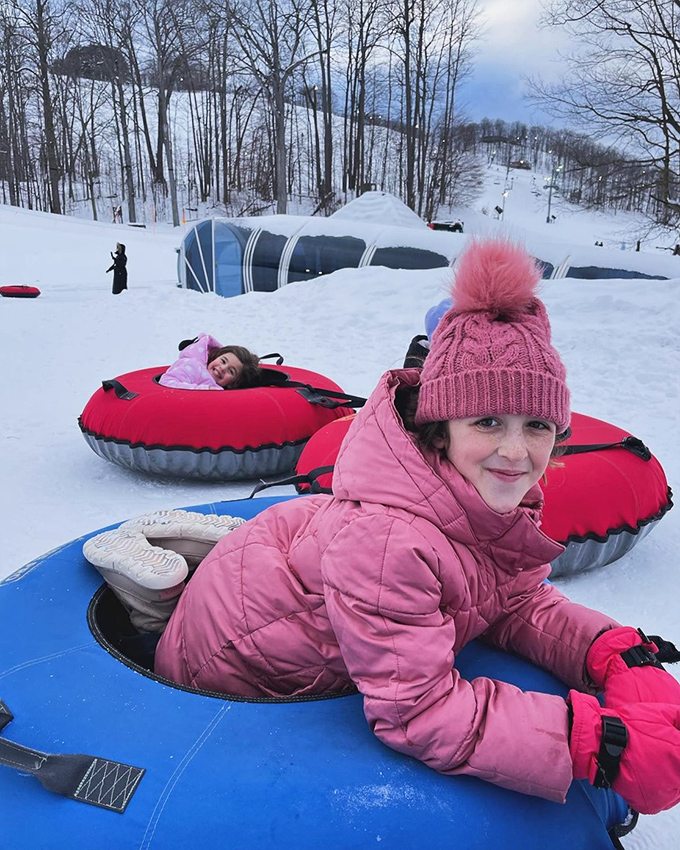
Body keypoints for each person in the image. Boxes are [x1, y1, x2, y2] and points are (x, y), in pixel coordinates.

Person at [85, 239, 680, 815]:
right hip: (233, 676)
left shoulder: (481, 500)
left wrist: (609, 649)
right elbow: (417, 712)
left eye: (537, 426)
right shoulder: (396, 542)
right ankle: (153, 595)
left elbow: (514, 601)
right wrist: (594, 743)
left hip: (302, 583)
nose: (516, 451)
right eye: (489, 420)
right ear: (441, 427)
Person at [158, 333, 261, 390]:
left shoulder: (220, 390)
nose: (223, 368)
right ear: (215, 357)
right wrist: (204, 390)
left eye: (231, 371)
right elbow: (166, 382)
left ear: (233, 383)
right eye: (223, 361)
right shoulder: (193, 366)